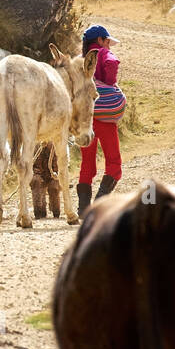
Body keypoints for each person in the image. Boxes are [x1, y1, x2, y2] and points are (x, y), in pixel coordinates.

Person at [76, 24, 125, 215]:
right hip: (105, 119)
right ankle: (99, 206)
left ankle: (83, 209)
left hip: (86, 119)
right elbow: (112, 63)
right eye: (107, 42)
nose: (108, 46)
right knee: (114, 164)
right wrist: (109, 82)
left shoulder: (79, 60)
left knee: (87, 164)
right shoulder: (102, 53)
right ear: (100, 41)